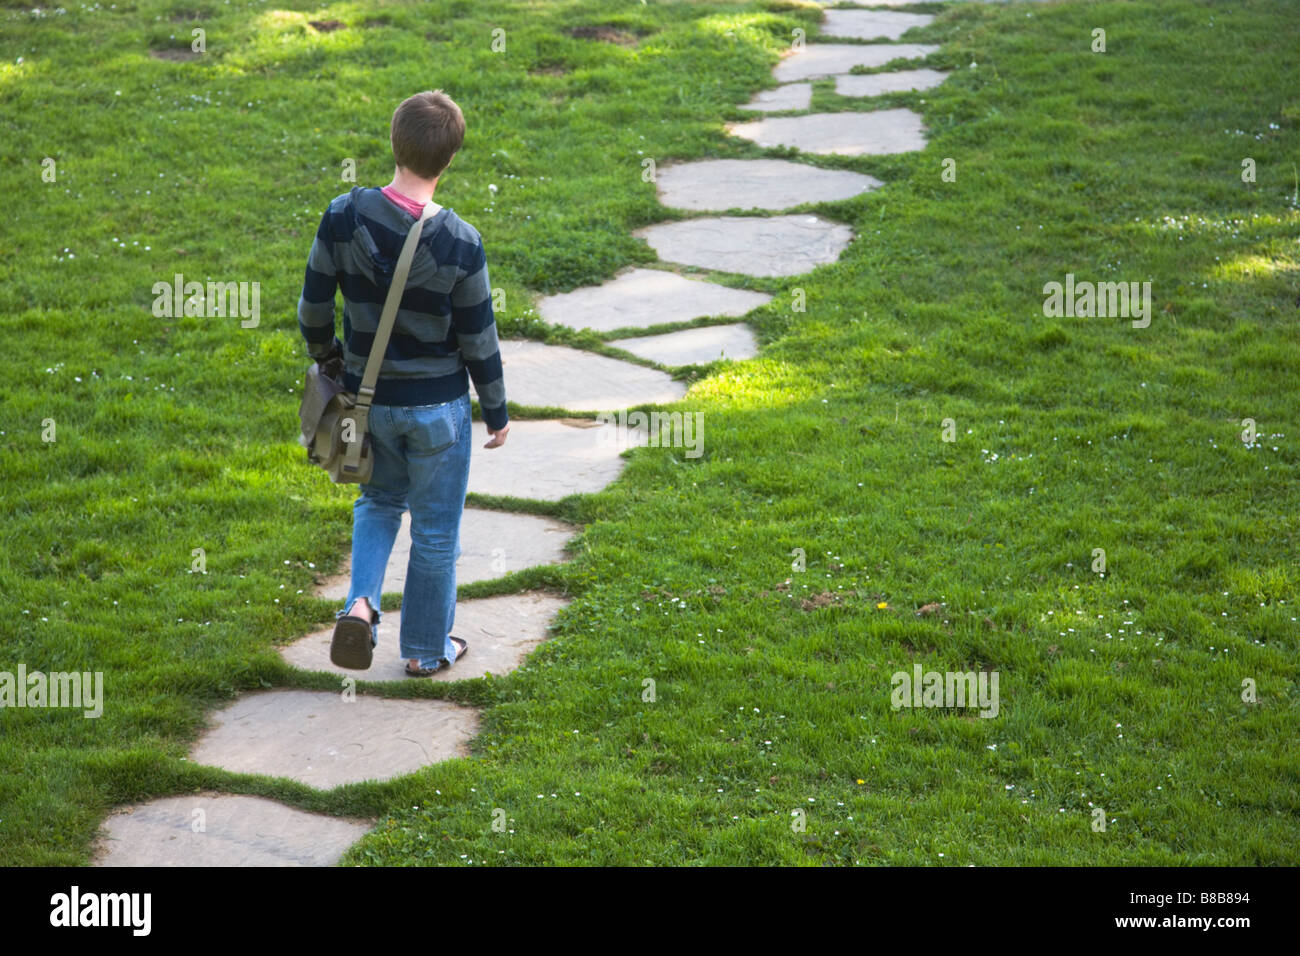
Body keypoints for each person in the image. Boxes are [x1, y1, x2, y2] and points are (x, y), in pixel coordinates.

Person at [297, 90, 509, 677]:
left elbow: (313, 305)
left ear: (394, 142)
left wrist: (329, 357)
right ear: (449, 161)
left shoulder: (343, 215)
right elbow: (479, 340)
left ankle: (360, 606)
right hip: (437, 411)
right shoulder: (463, 243)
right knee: (436, 532)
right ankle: (423, 650)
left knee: (378, 500)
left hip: (367, 403)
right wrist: (496, 411)